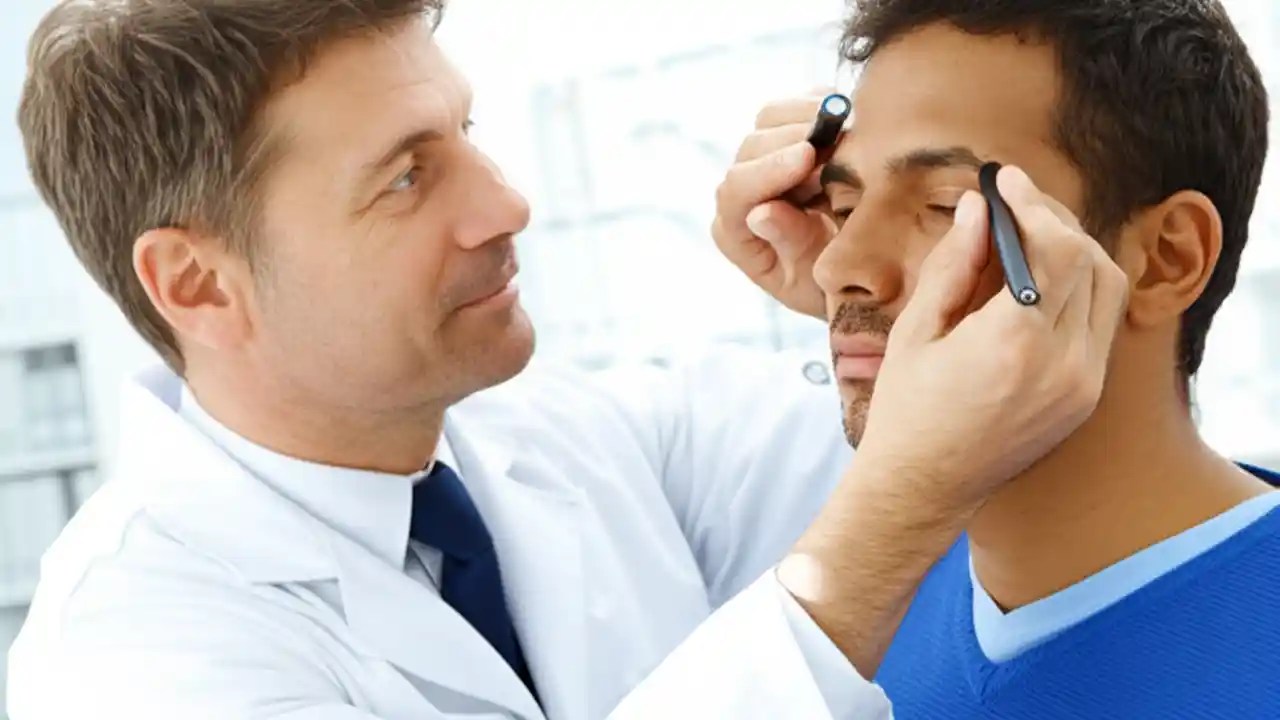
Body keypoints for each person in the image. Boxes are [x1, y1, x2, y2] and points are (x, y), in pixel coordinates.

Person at [6, 1, 1125, 719]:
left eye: (467, 135)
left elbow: (992, 444)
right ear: (197, 283)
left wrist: (854, 299)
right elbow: (891, 508)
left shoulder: (574, 437)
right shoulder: (132, 658)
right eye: (405, 177)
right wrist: (896, 508)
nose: (505, 205)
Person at [738, 1, 1278, 717]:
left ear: (1167, 257)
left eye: (944, 203)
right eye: (843, 206)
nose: (838, 264)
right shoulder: (844, 633)